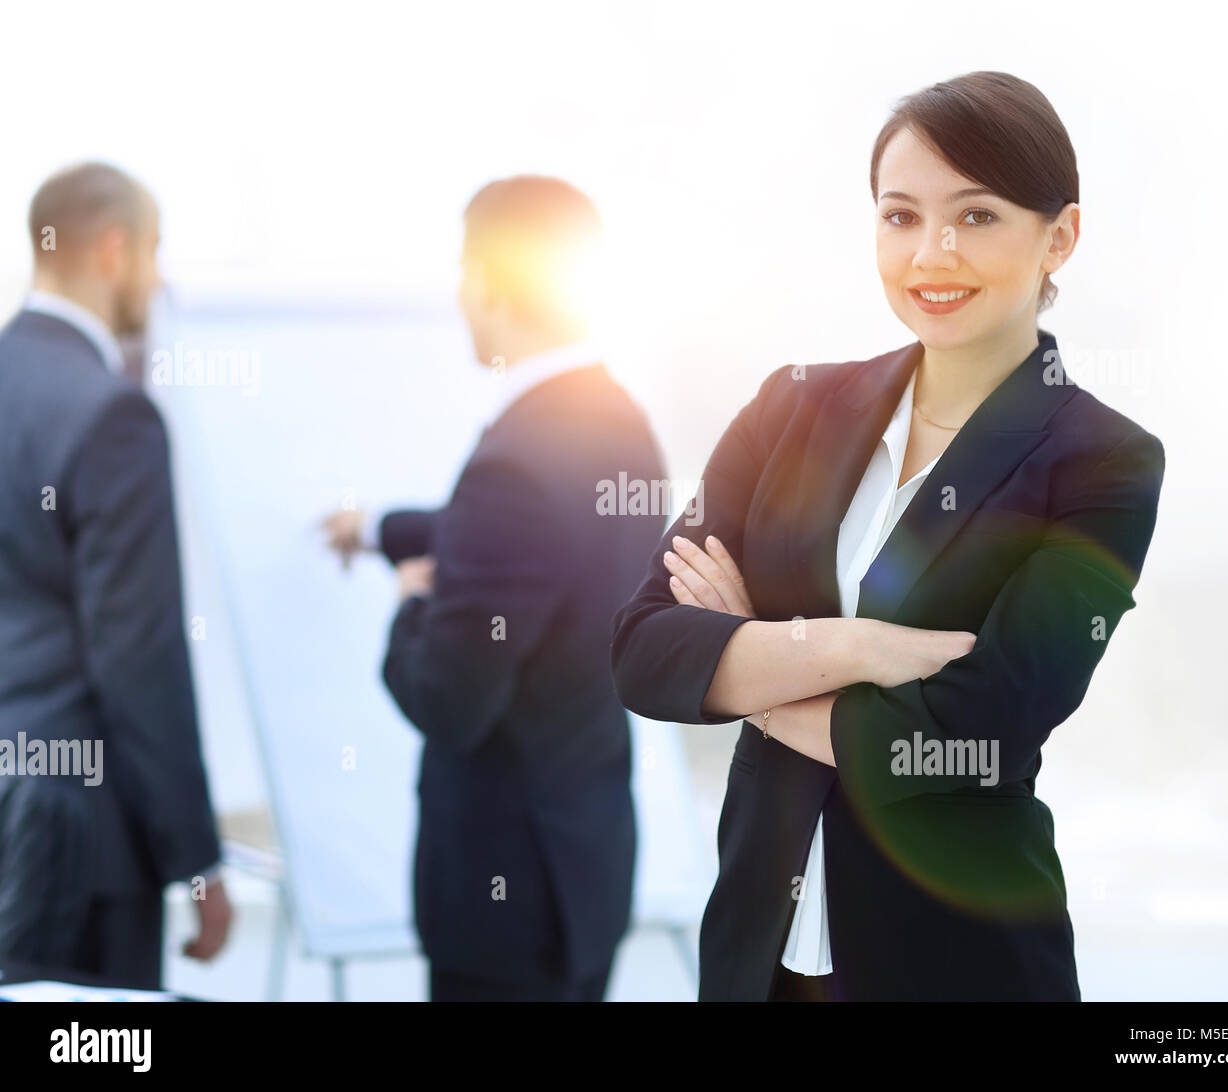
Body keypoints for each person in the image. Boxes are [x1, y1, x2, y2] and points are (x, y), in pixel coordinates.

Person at [611, 71, 1166, 1001]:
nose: (931, 254)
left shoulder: (1103, 461)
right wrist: (855, 649)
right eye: (900, 216)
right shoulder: (790, 404)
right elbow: (643, 650)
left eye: (977, 216)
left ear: (1059, 237)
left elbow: (974, 738)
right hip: (759, 956)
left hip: (959, 961)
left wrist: (749, 661)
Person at [324, 175, 666, 1001]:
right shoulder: (623, 425)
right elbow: (531, 547)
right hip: (582, 872)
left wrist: (411, 599)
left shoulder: (514, 459)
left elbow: (448, 700)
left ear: (484, 280)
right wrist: (377, 528)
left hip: (500, 904)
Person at [0, 162, 231, 989]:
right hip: (81, 839)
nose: (158, 278)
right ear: (112, 248)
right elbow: (138, 658)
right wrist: (195, 860)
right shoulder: (113, 414)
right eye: (155, 252)